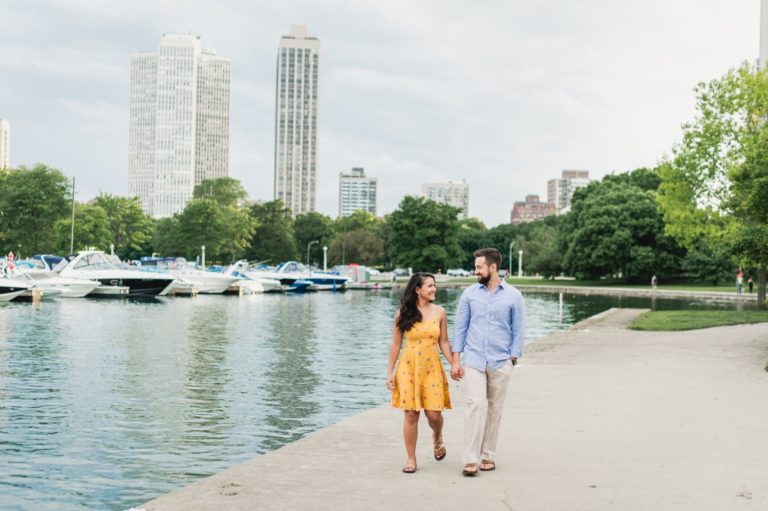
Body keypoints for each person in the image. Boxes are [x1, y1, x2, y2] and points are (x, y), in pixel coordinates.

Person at [451, 247, 525, 477]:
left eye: (479, 267)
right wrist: (456, 360)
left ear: (493, 267)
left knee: (494, 409)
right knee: (475, 404)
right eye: (476, 267)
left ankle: (487, 455)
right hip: (474, 359)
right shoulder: (469, 294)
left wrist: (512, 357)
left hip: (501, 361)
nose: (476, 271)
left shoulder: (514, 296)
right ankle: (470, 459)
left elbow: (518, 329)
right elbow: (460, 328)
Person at [386, 273, 458, 473]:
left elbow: (444, 342)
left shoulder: (440, 312)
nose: (434, 289)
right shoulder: (403, 314)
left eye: (434, 285)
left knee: (434, 415)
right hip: (408, 368)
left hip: (432, 368)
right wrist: (390, 372)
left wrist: (454, 363)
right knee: (411, 414)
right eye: (430, 286)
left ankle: (437, 436)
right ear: (418, 290)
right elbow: (395, 344)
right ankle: (411, 459)